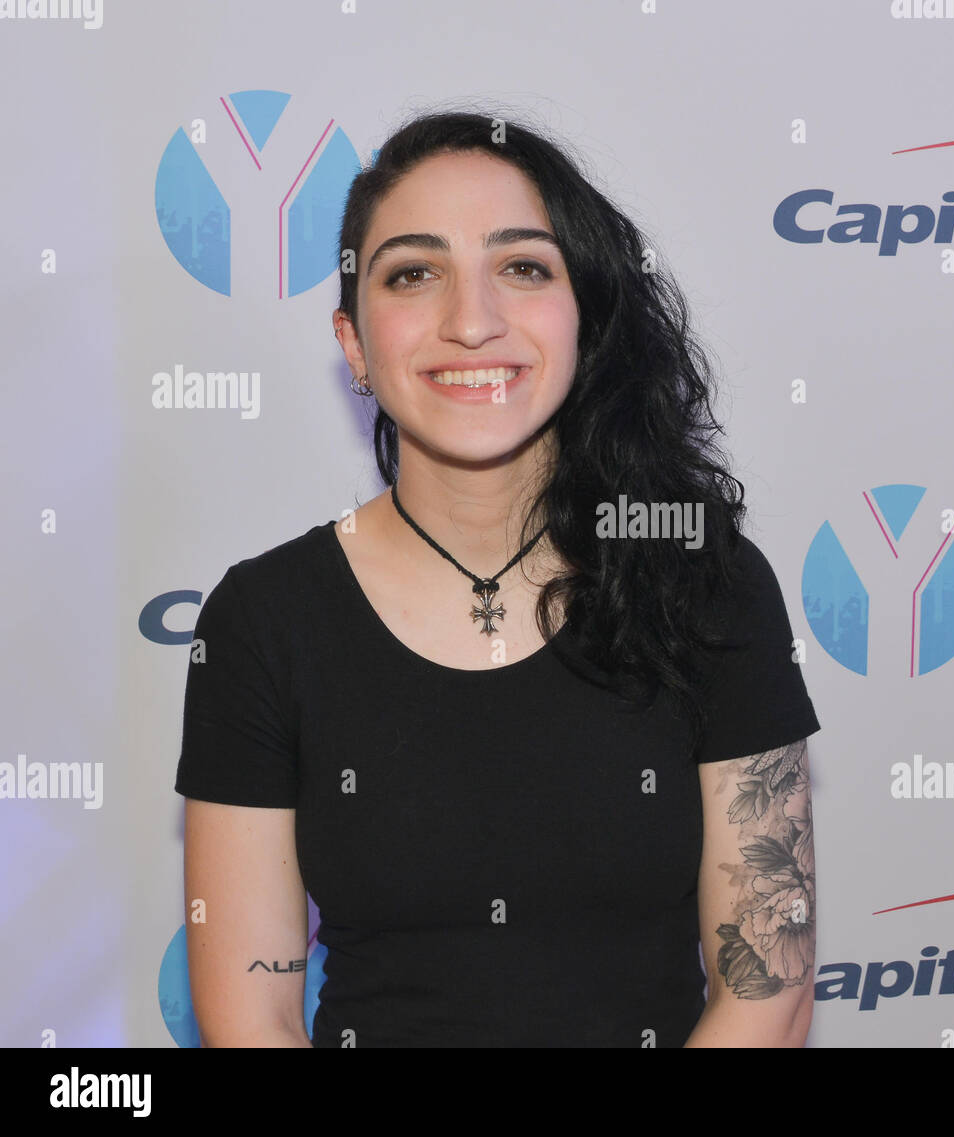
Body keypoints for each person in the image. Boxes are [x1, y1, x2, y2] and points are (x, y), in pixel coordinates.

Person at [175, 107, 820, 1047]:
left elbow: (769, 992)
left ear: (583, 314)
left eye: (523, 267)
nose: (472, 322)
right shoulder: (261, 621)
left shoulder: (705, 581)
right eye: (413, 273)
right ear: (354, 344)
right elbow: (251, 1020)